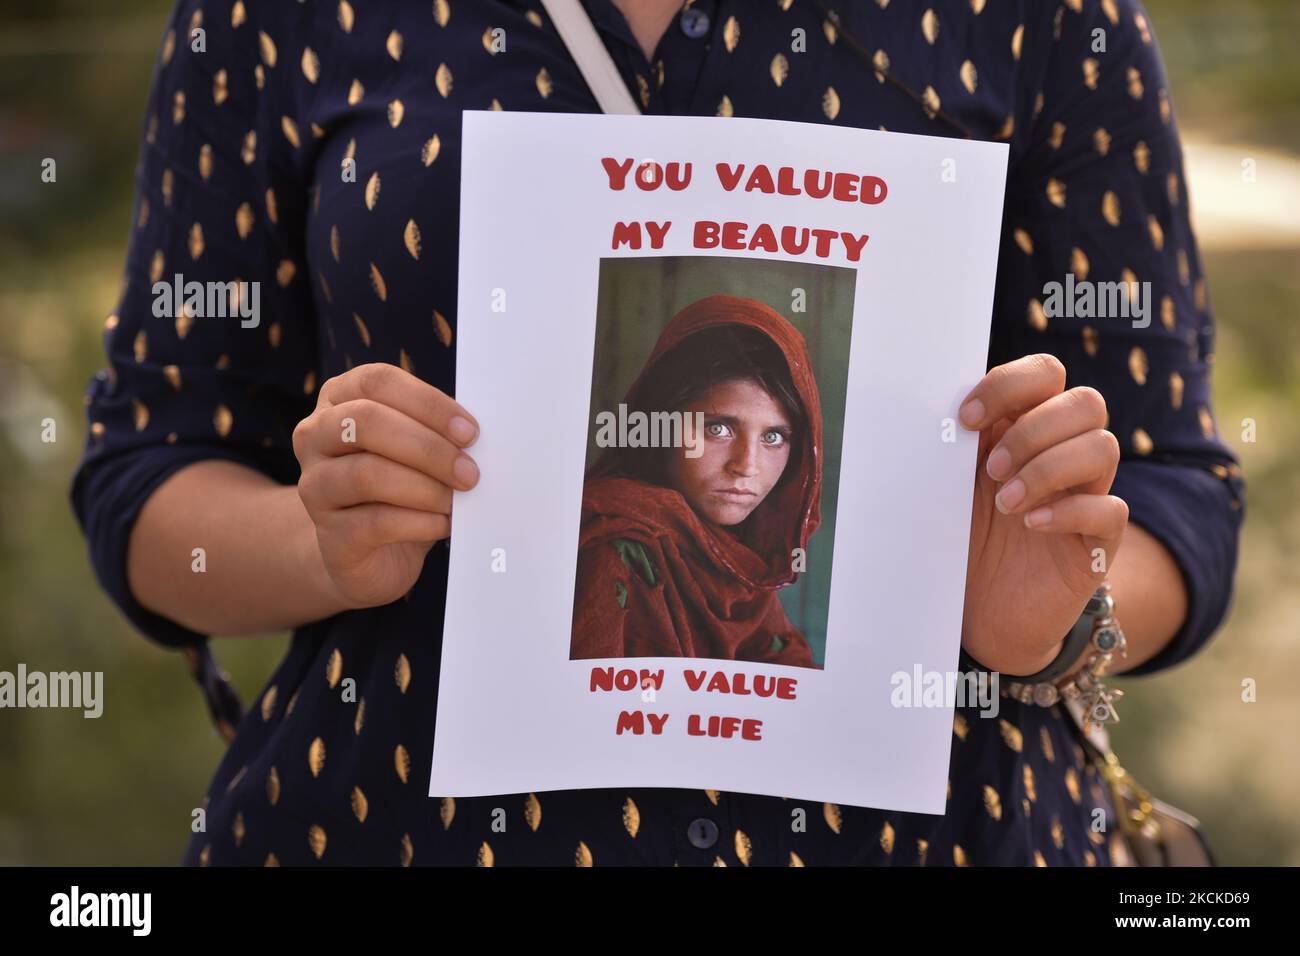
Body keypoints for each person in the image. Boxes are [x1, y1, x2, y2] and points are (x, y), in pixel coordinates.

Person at [72, 0, 1244, 865]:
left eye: (775, 435)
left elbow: (1175, 492)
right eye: (710, 425)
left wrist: (1041, 618)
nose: (741, 462)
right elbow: (150, 475)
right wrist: (307, 542)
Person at [571, 294, 821, 667]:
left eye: (773, 437)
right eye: (718, 428)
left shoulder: (742, 564)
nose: (746, 466)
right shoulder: (612, 547)